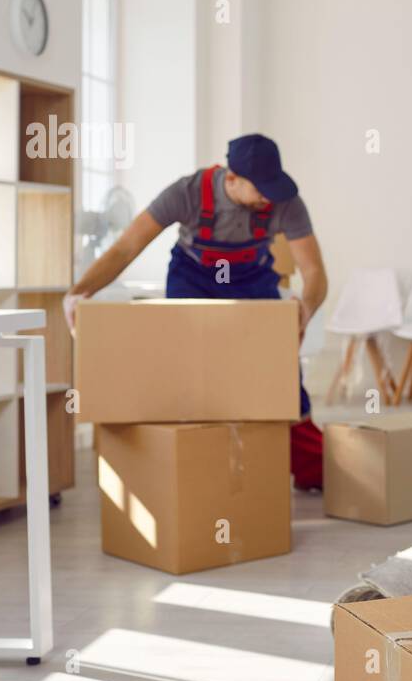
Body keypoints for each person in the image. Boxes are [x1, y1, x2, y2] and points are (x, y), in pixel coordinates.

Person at [63, 133, 328, 490]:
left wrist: (306, 305)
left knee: (277, 370)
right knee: (188, 372)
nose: (269, 197)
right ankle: (191, 467)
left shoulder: (285, 202)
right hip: (194, 280)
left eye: (273, 187)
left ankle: (308, 467)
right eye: (260, 189)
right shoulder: (186, 192)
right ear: (231, 178)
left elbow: (313, 271)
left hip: (252, 281)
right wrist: (79, 292)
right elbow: (126, 248)